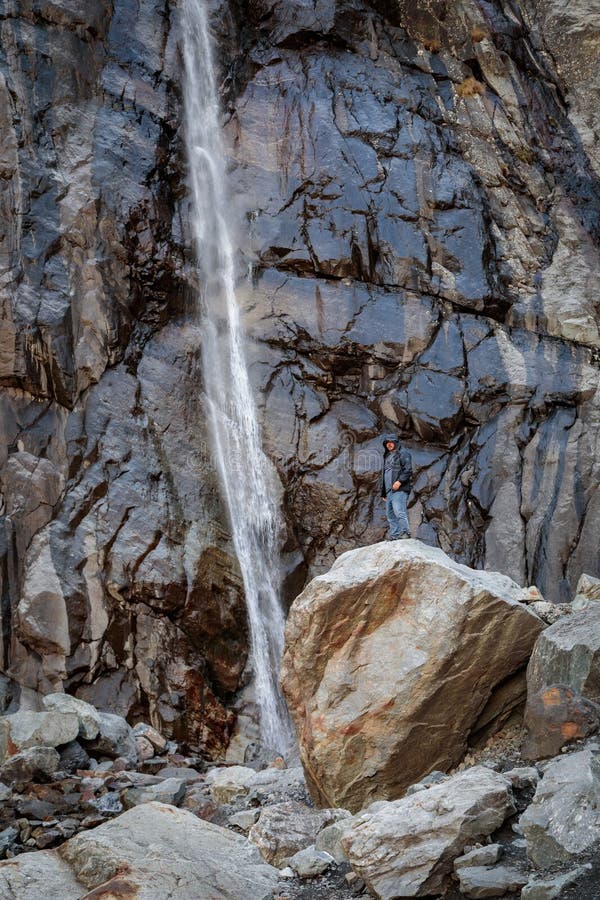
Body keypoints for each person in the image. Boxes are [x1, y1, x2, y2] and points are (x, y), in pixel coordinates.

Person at [380, 434, 412, 540]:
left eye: (391, 442)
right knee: (390, 515)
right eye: (387, 443)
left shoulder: (403, 453)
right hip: (389, 492)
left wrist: (399, 481)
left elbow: (408, 470)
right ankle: (395, 535)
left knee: (399, 511)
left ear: (396, 443)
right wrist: (384, 492)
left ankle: (405, 533)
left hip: (399, 489)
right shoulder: (387, 456)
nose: (389, 444)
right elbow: (385, 475)